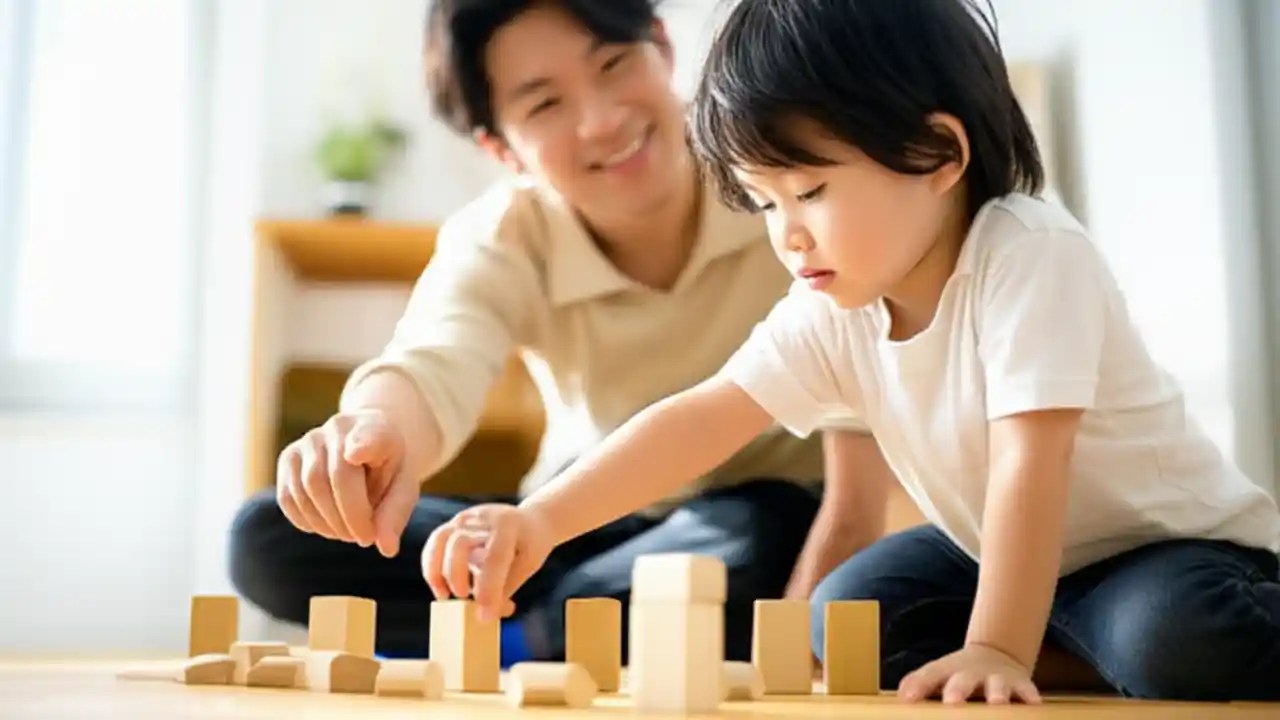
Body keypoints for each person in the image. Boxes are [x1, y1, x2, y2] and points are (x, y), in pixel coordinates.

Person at [420, 0, 1280, 704]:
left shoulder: (1028, 255)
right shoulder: (835, 303)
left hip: (1165, 550)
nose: (787, 234)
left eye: (812, 191)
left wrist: (993, 646)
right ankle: (1069, 653)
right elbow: (703, 419)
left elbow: (1031, 465)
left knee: (1180, 639)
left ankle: (1061, 648)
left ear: (936, 152)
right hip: (1009, 559)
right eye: (761, 203)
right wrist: (540, 520)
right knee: (846, 620)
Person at [228, 0, 892, 664]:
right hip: (569, 519)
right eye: (545, 106)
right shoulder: (502, 234)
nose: (601, 121)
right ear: (500, 148)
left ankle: (515, 640)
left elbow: (855, 479)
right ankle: (559, 632)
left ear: (661, 50)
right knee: (270, 536)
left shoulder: (783, 190)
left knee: (750, 543)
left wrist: (805, 627)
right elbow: (433, 361)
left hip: (746, 521)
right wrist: (374, 430)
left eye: (613, 64)